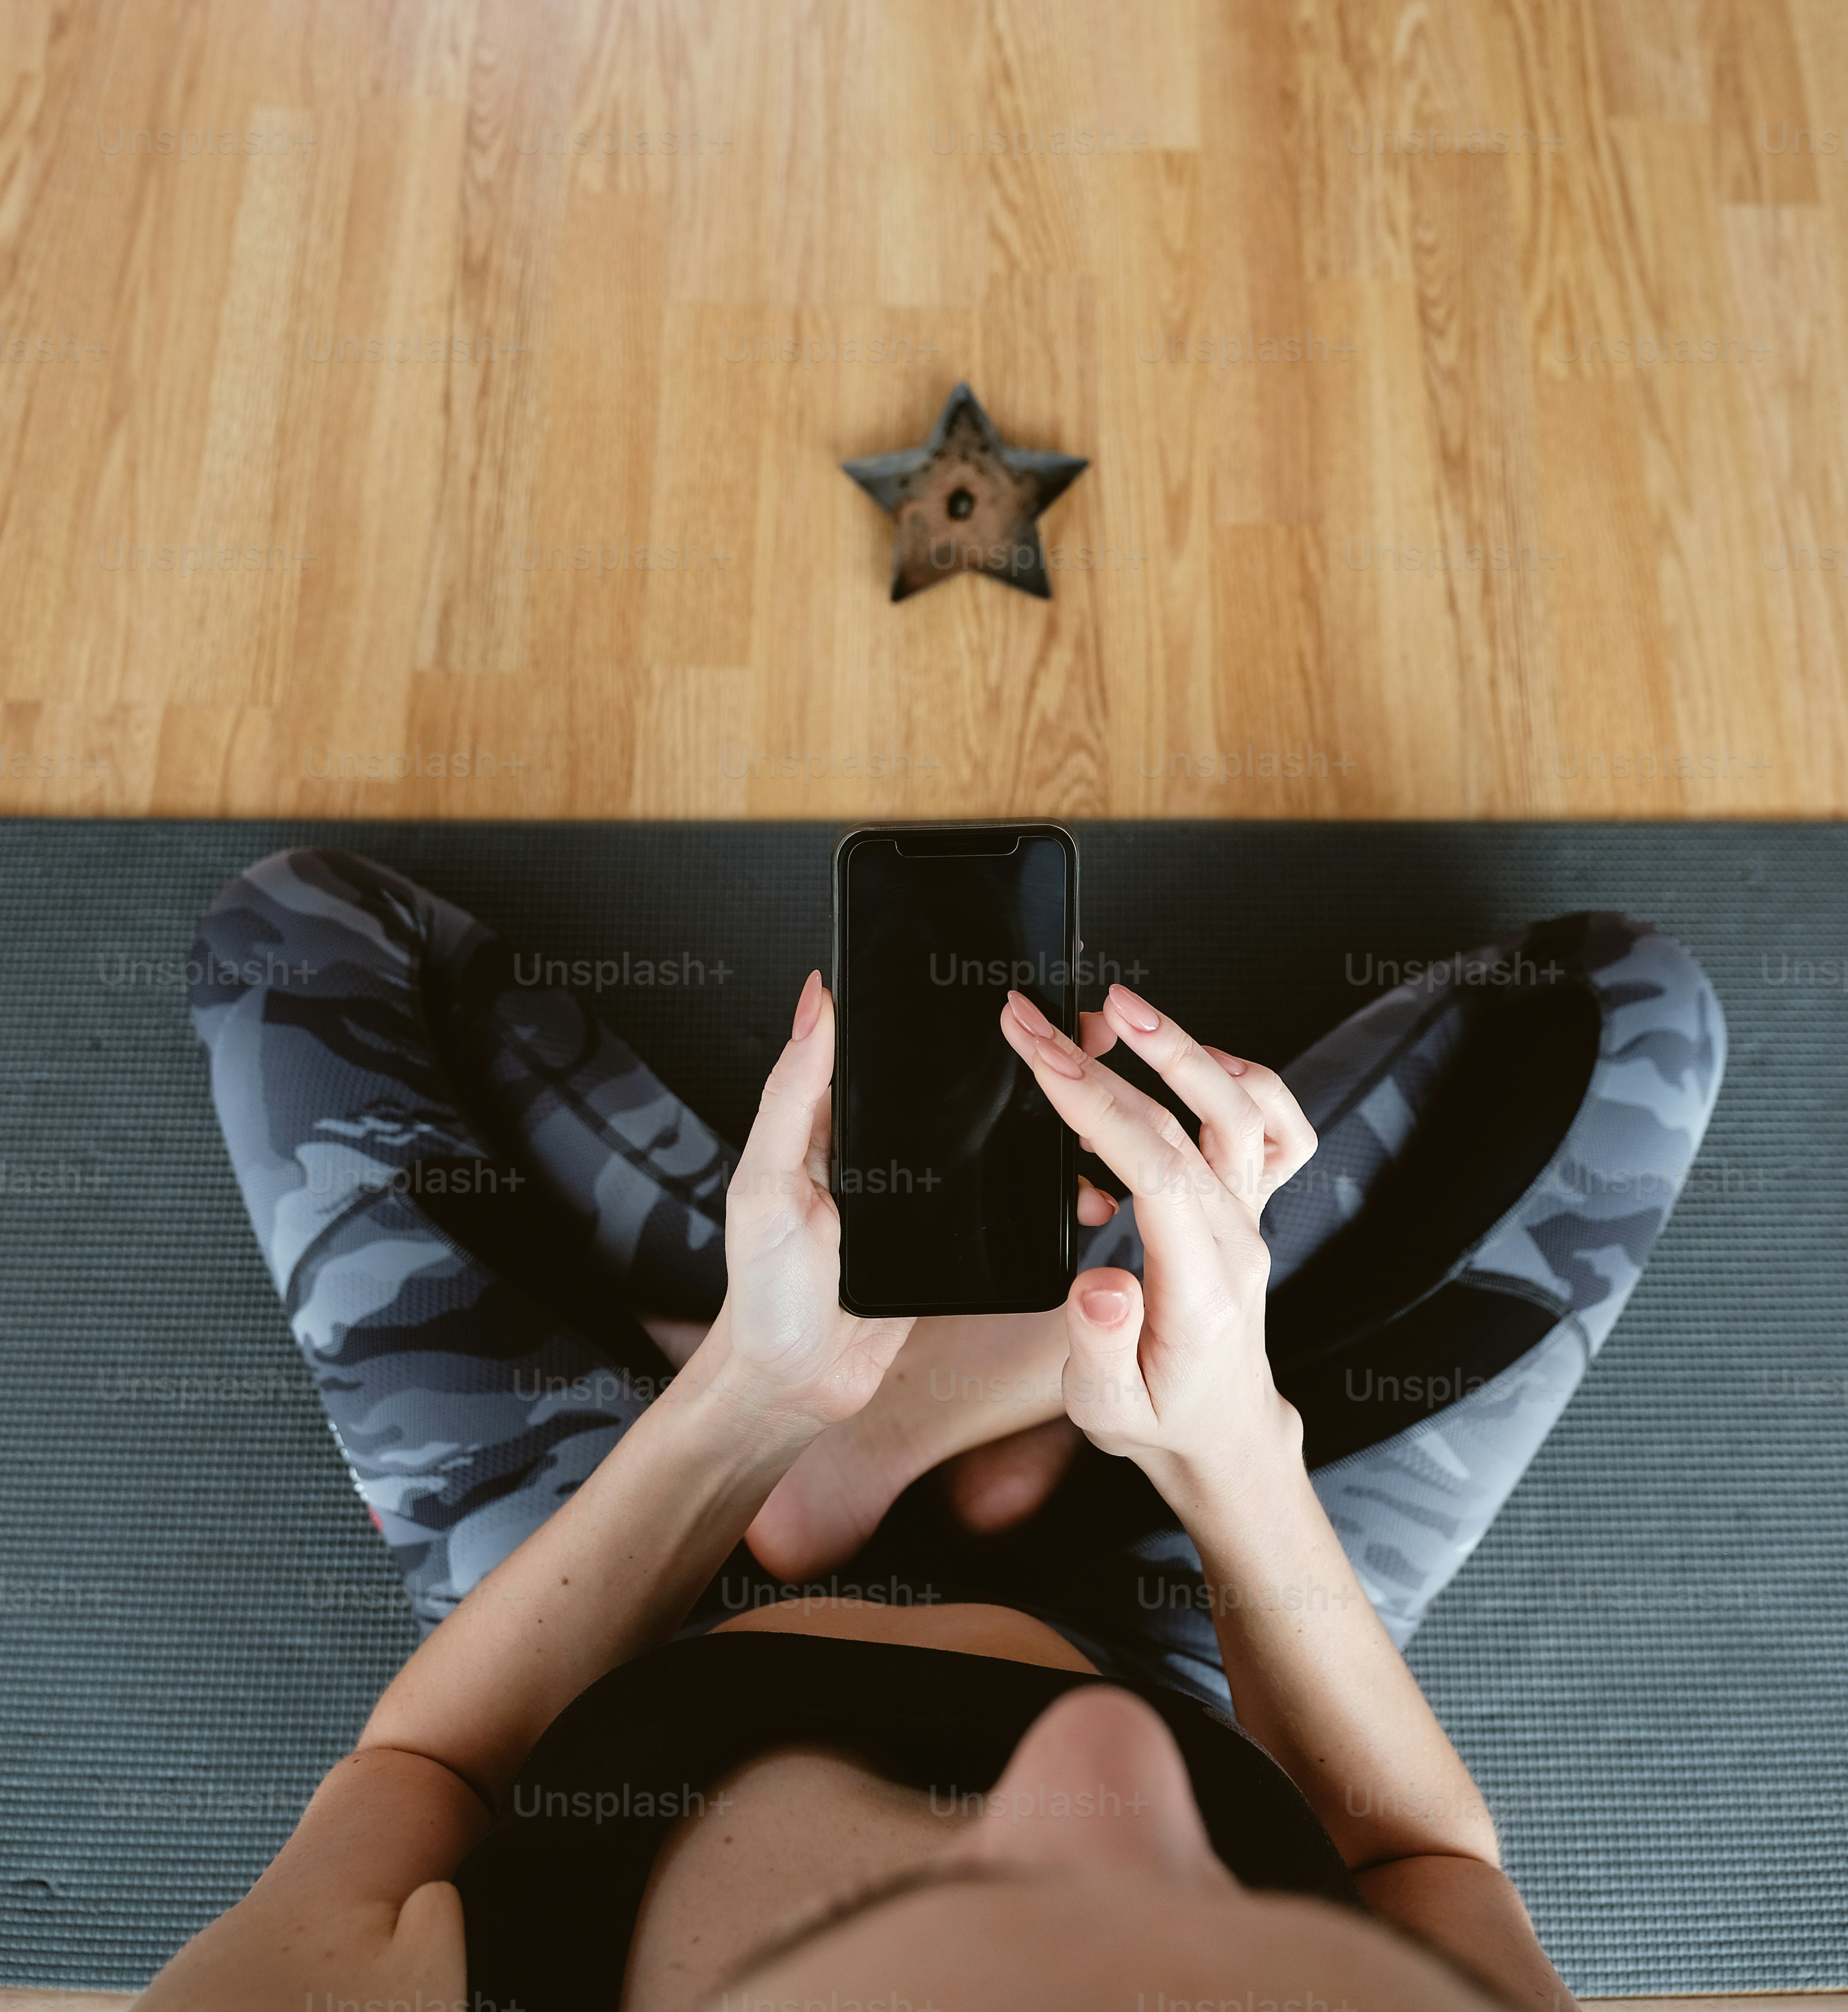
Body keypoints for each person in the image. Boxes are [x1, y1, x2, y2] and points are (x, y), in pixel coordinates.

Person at [146, 850, 1726, 2012]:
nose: (1092, 1755)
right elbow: (1421, 1871)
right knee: (1623, 1015)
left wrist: (744, 1406)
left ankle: (835, 1369)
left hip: (626, 1630)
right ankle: (976, 1378)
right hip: (1163, 1606)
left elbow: (428, 1761)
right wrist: (1227, 1440)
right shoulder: (1143, 1720)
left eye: (985, 1895)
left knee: (292, 942)